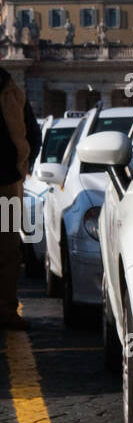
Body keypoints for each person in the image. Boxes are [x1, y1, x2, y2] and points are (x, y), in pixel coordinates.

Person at [0, 67, 41, 330]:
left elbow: (33, 134)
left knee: (8, 250)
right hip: (8, 180)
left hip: (7, 183)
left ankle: (6, 310)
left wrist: (23, 168)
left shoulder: (13, 90)